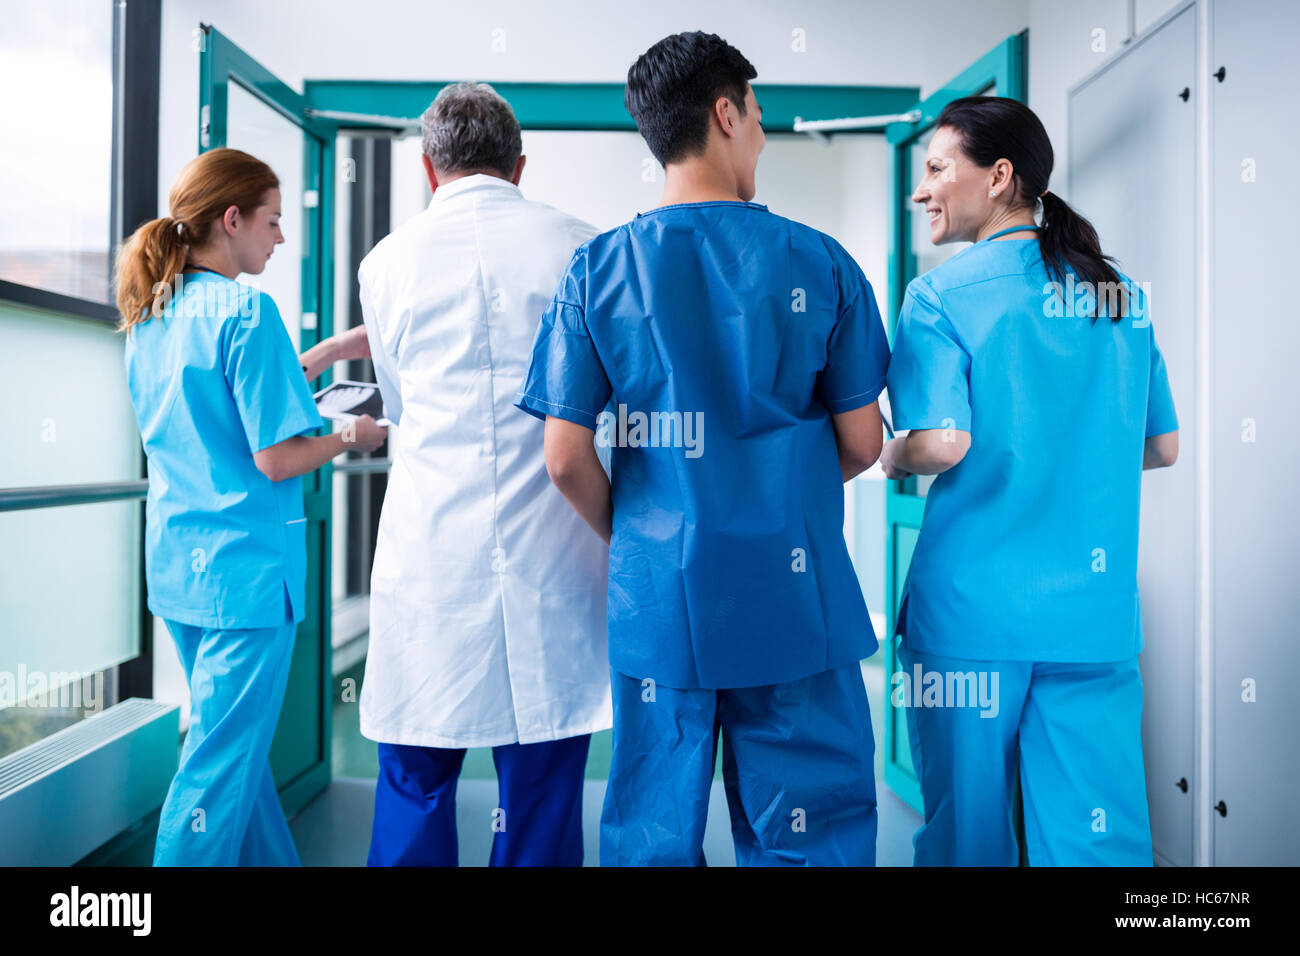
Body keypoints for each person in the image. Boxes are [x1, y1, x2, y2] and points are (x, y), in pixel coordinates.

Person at [515, 32, 890, 866]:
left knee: (653, 830)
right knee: (811, 831)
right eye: (757, 114)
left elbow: (564, 459)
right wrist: (776, 492)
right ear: (726, 112)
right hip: (797, 601)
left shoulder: (598, 270)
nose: (761, 132)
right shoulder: (822, 263)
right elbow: (863, 441)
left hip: (662, 602)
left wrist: (643, 529)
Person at [879, 96, 1179, 866]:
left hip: (974, 619)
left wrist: (889, 453)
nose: (922, 189)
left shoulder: (940, 297)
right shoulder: (1120, 296)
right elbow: (1163, 446)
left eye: (938, 168)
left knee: (968, 839)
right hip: (1093, 619)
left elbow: (945, 445)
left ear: (1000, 174)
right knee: (1096, 839)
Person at [357, 82, 610, 867]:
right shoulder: (584, 246)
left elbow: (401, 406)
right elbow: (600, 402)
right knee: (540, 786)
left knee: (414, 776)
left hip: (431, 559)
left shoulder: (385, 262)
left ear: (429, 170)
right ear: (520, 166)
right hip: (556, 550)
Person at [118, 147, 386, 866]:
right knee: (215, 773)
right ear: (231, 220)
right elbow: (277, 456)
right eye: (272, 221)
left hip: (182, 571)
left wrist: (326, 353)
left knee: (235, 760)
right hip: (245, 579)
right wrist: (351, 434)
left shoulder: (153, 312)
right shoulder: (247, 310)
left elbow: (223, 419)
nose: (281, 236)